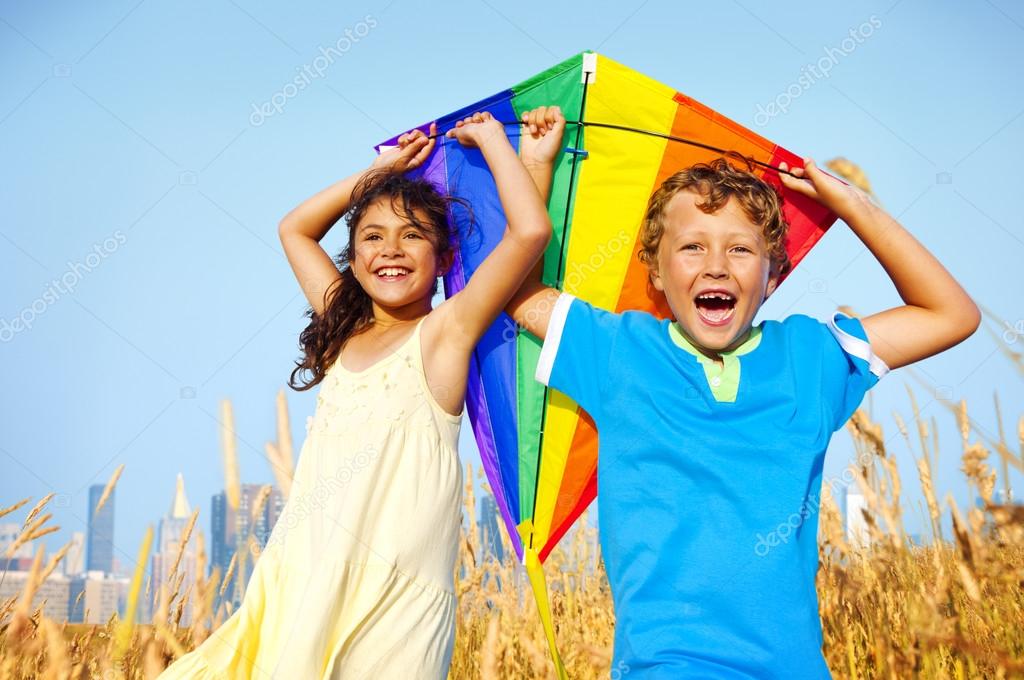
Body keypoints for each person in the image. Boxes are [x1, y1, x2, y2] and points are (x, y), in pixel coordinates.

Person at [507, 106, 980, 678]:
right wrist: (536, 163)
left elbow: (949, 313)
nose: (716, 266)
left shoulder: (811, 357)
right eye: (691, 248)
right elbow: (519, 289)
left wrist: (849, 203)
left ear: (773, 274)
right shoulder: (618, 351)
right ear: (655, 274)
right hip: (667, 666)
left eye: (739, 249)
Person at [158, 111, 553, 679]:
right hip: (301, 576)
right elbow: (294, 228)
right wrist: (379, 172)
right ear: (354, 259)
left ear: (443, 260)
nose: (390, 249)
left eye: (412, 235)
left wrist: (494, 140)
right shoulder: (343, 330)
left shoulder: (445, 334)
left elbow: (529, 233)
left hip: (395, 602)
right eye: (372, 236)